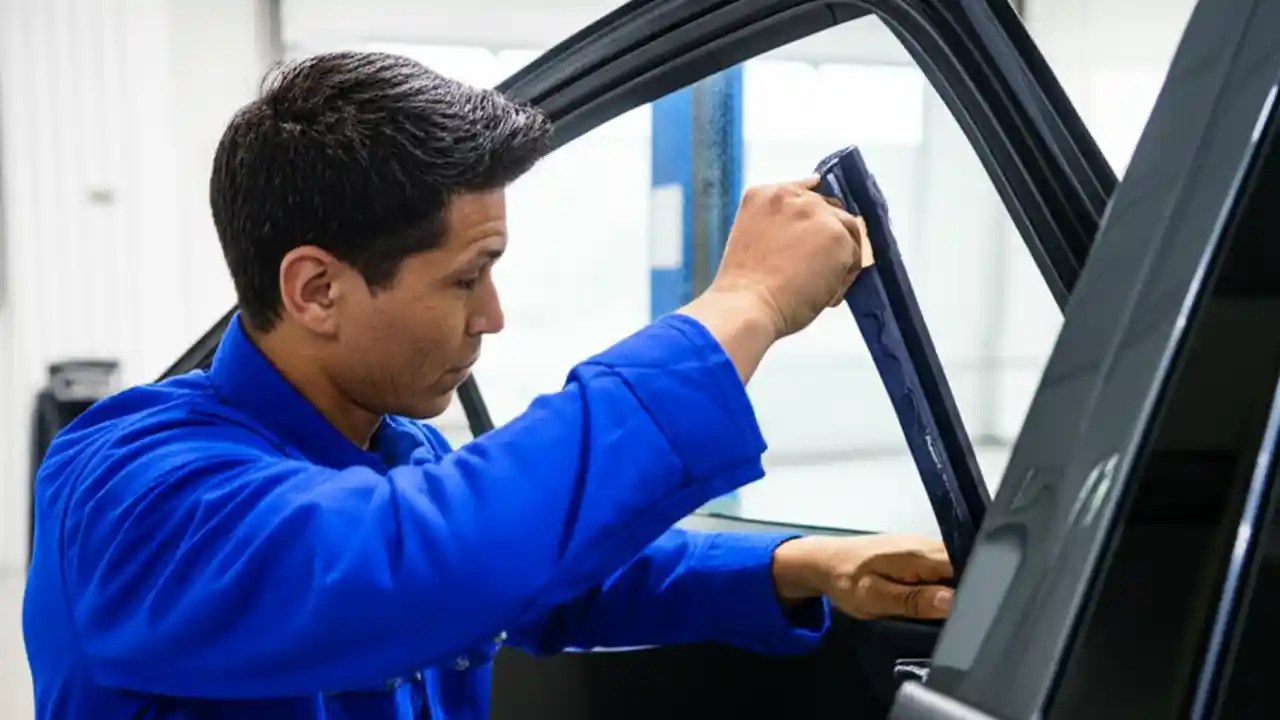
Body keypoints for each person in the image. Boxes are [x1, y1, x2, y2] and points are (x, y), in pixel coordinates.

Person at [22, 52, 954, 720]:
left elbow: (543, 583)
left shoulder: (393, 447)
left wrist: (803, 566)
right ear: (316, 290)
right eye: (468, 276)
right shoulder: (126, 484)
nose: (492, 314)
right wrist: (743, 303)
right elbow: (420, 560)